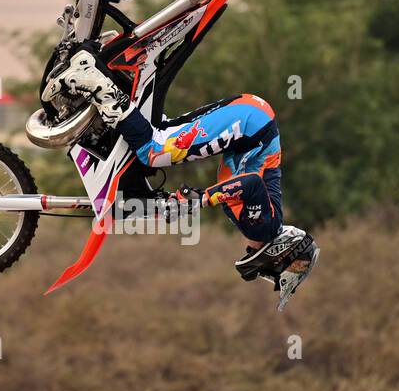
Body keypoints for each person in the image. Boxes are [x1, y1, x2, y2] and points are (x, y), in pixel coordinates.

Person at [42, 45, 319, 311]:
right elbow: (251, 184)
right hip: (250, 126)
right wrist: (202, 198)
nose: (265, 273)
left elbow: (241, 184)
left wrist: (182, 202)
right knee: (153, 150)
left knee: (157, 131)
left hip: (252, 121)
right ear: (281, 255)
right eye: (273, 273)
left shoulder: (263, 223)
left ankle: (115, 76)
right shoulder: (264, 229)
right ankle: (96, 82)